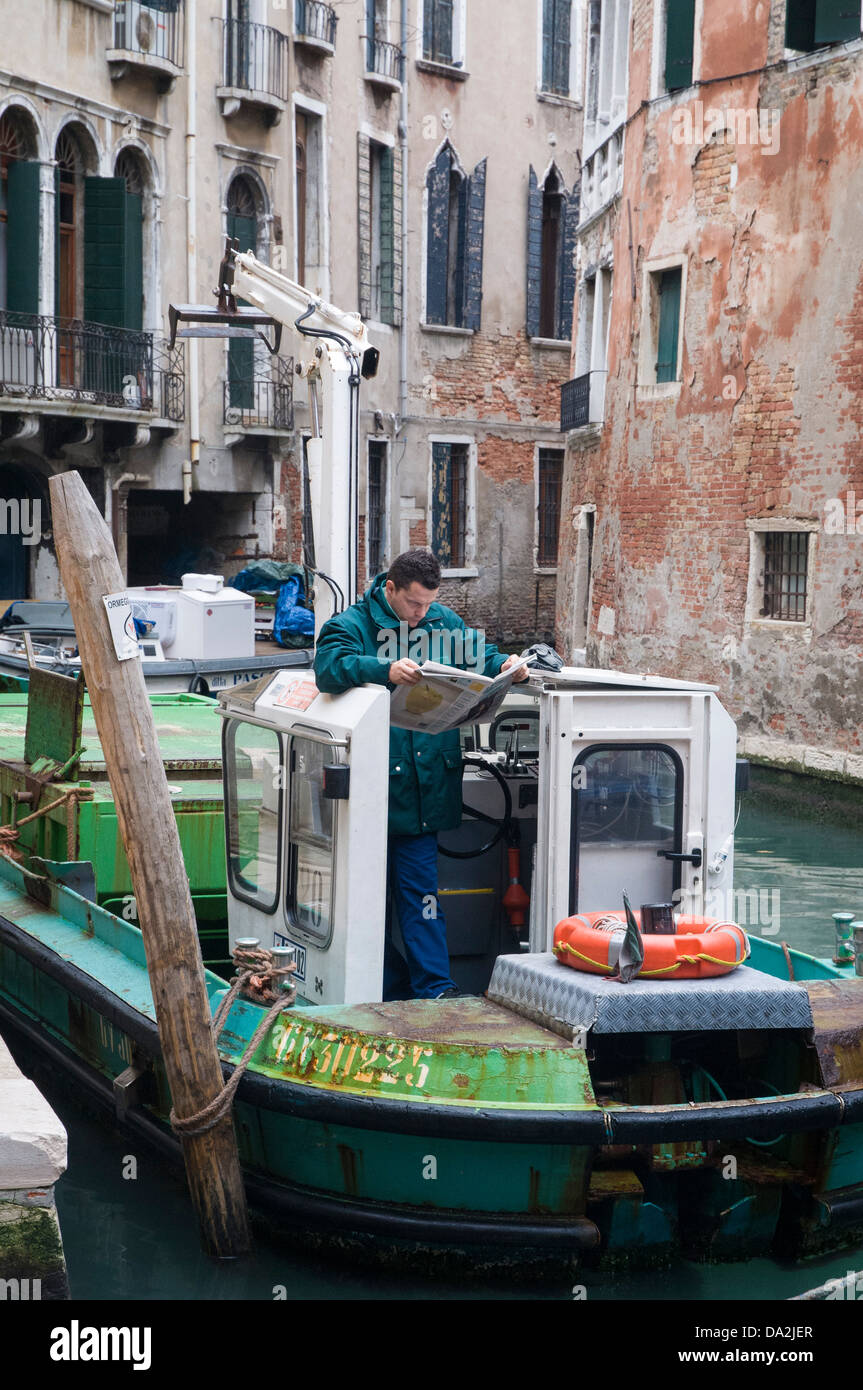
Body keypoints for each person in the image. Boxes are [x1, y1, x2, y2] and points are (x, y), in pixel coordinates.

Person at [314, 548, 527, 1001]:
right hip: (366, 801)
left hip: (422, 798)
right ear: (389, 589)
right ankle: (385, 987)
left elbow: (481, 656)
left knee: (424, 901)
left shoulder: (442, 622)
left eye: (429, 603)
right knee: (364, 906)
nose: (422, 612)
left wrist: (505, 666)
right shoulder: (350, 626)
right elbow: (330, 668)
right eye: (414, 603)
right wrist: (382, 669)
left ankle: (435, 991)